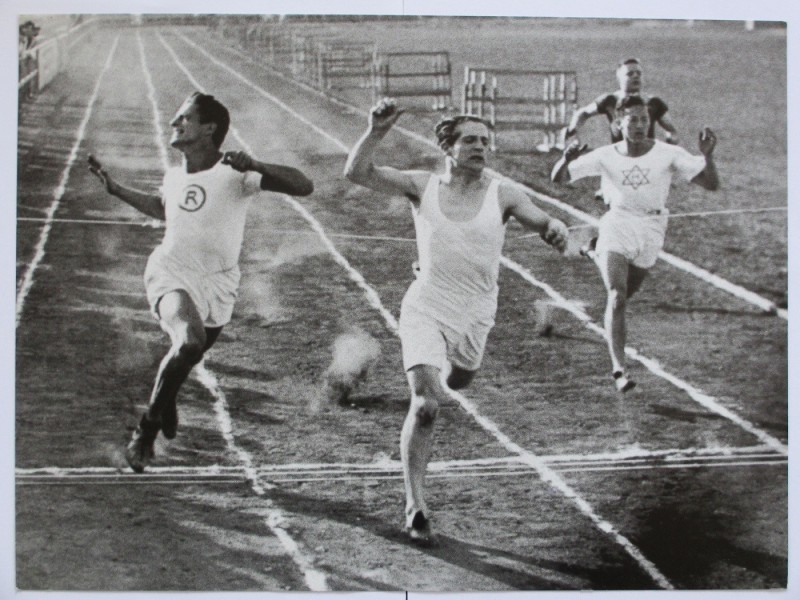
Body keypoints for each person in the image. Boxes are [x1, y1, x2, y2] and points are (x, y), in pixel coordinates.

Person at [344, 97, 568, 543]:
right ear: (448, 146)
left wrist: (554, 230)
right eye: (470, 139)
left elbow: (540, 220)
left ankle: (444, 369)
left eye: (485, 140)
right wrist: (376, 131)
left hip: (477, 312)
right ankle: (416, 505)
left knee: (460, 382)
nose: (480, 147)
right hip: (426, 304)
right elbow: (358, 173)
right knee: (426, 404)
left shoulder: (502, 192)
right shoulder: (421, 185)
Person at [88, 92, 313, 473]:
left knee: (187, 353)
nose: (174, 124)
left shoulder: (236, 172)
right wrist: (117, 189)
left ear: (209, 128)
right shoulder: (174, 175)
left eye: (184, 119)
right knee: (189, 341)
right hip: (170, 271)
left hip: (220, 284)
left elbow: (303, 185)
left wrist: (255, 162)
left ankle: (168, 393)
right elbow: (164, 209)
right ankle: (147, 429)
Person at [551, 95, 718, 393]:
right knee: (616, 294)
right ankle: (619, 370)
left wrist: (708, 156)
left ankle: (593, 250)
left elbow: (710, 183)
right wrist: (566, 158)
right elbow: (559, 179)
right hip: (618, 222)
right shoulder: (607, 154)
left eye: (644, 119)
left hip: (652, 228)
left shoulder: (668, 153)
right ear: (619, 122)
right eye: (633, 119)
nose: (640, 125)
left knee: (625, 297)